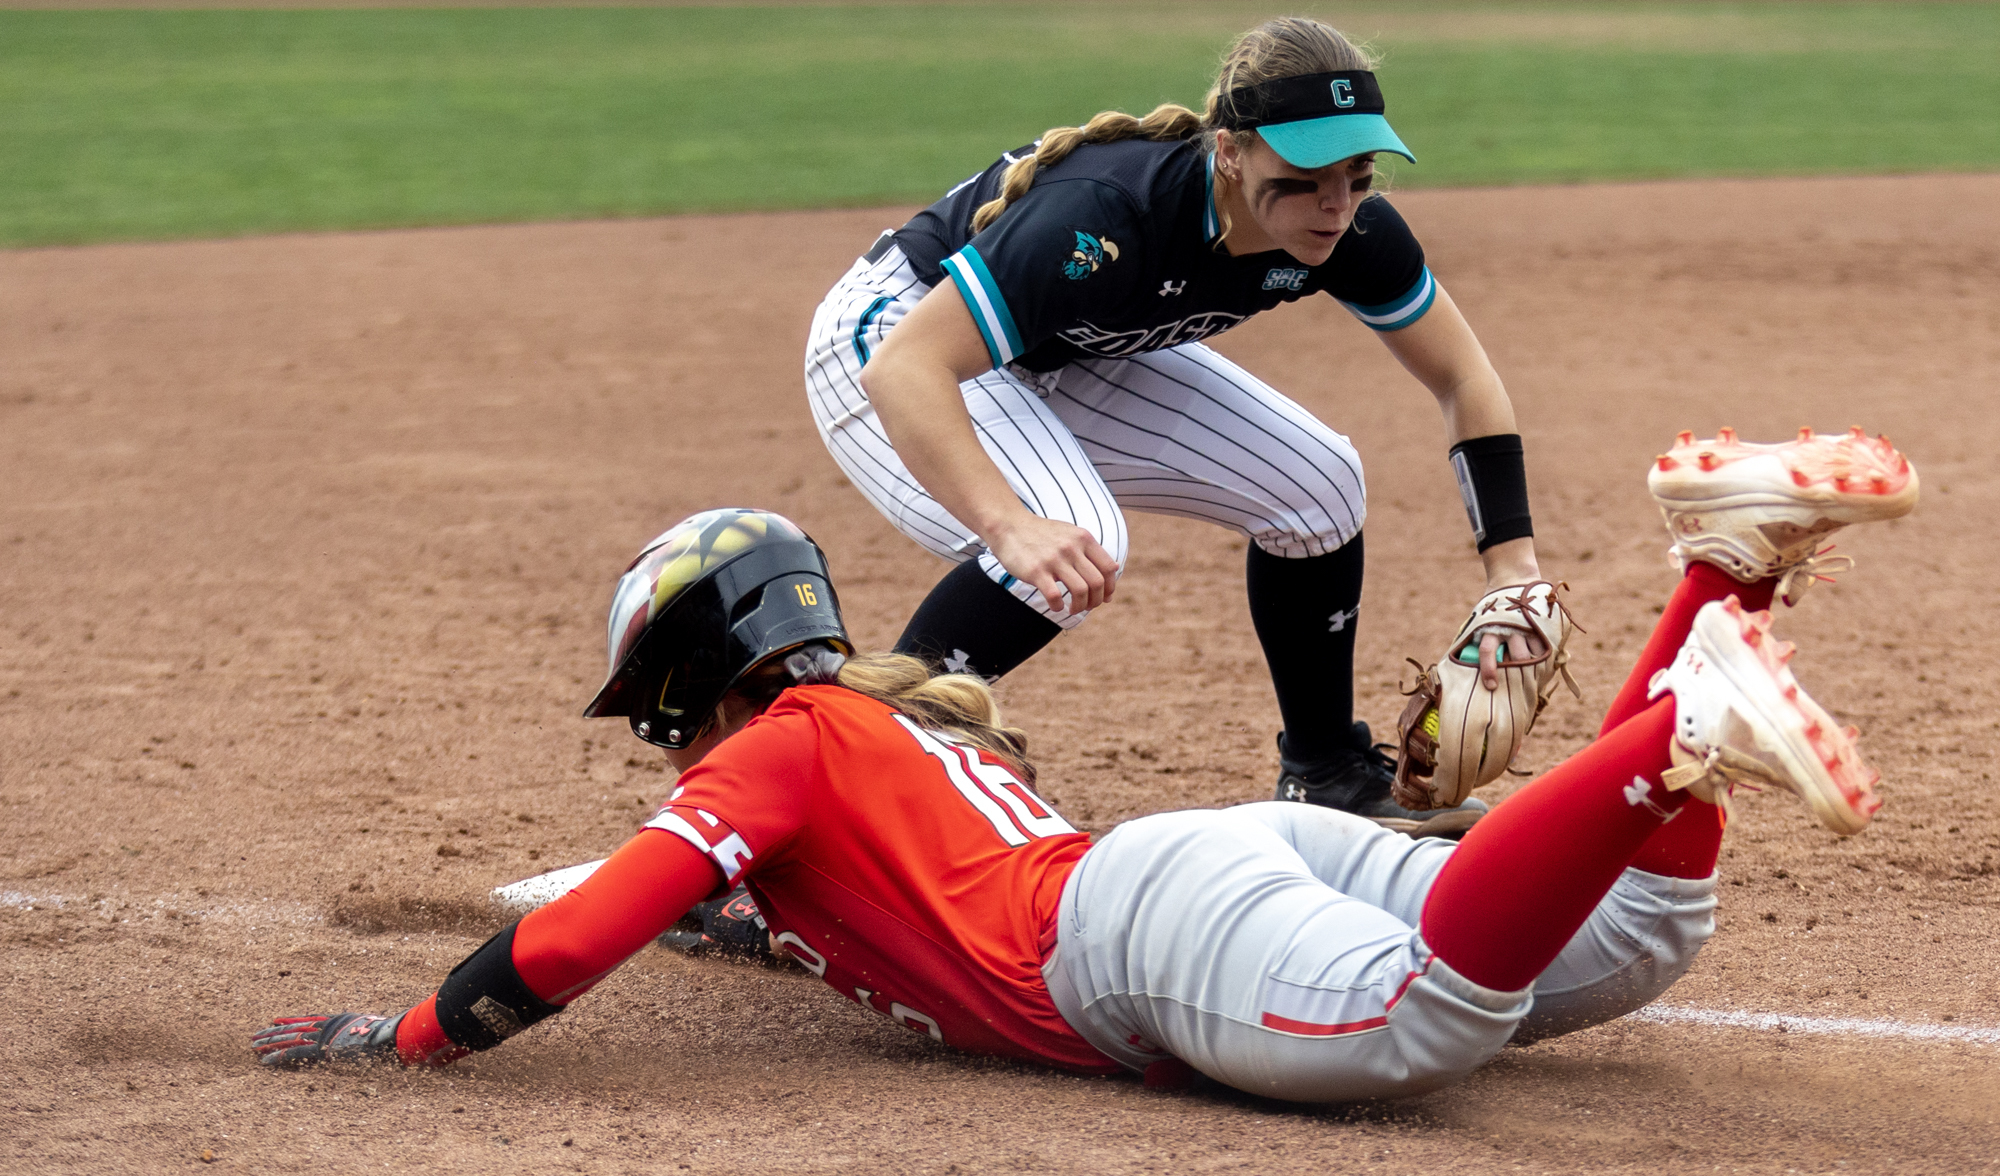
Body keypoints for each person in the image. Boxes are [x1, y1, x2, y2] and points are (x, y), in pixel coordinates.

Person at [254, 427, 1917, 1101]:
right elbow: (738, 911)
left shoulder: (779, 752)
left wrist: (408, 1031)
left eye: (662, 711)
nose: (670, 749)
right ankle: (1724, 575)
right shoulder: (887, 726)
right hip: (1201, 872)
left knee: (1423, 1017)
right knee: (1625, 943)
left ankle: (1678, 732)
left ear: (702, 675)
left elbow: (582, 930)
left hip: (1133, 932)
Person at [805, 17, 1550, 832]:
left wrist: (1512, 567)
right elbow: (907, 369)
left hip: (1059, 350)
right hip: (892, 338)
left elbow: (1463, 374)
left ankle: (1325, 767)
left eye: (1359, 173)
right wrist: (1009, 524)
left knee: (1318, 484)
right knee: (1073, 542)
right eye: (1304, 175)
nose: (1335, 203)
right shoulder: (1104, 217)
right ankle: (832, 797)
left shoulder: (1348, 230)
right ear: (1232, 152)